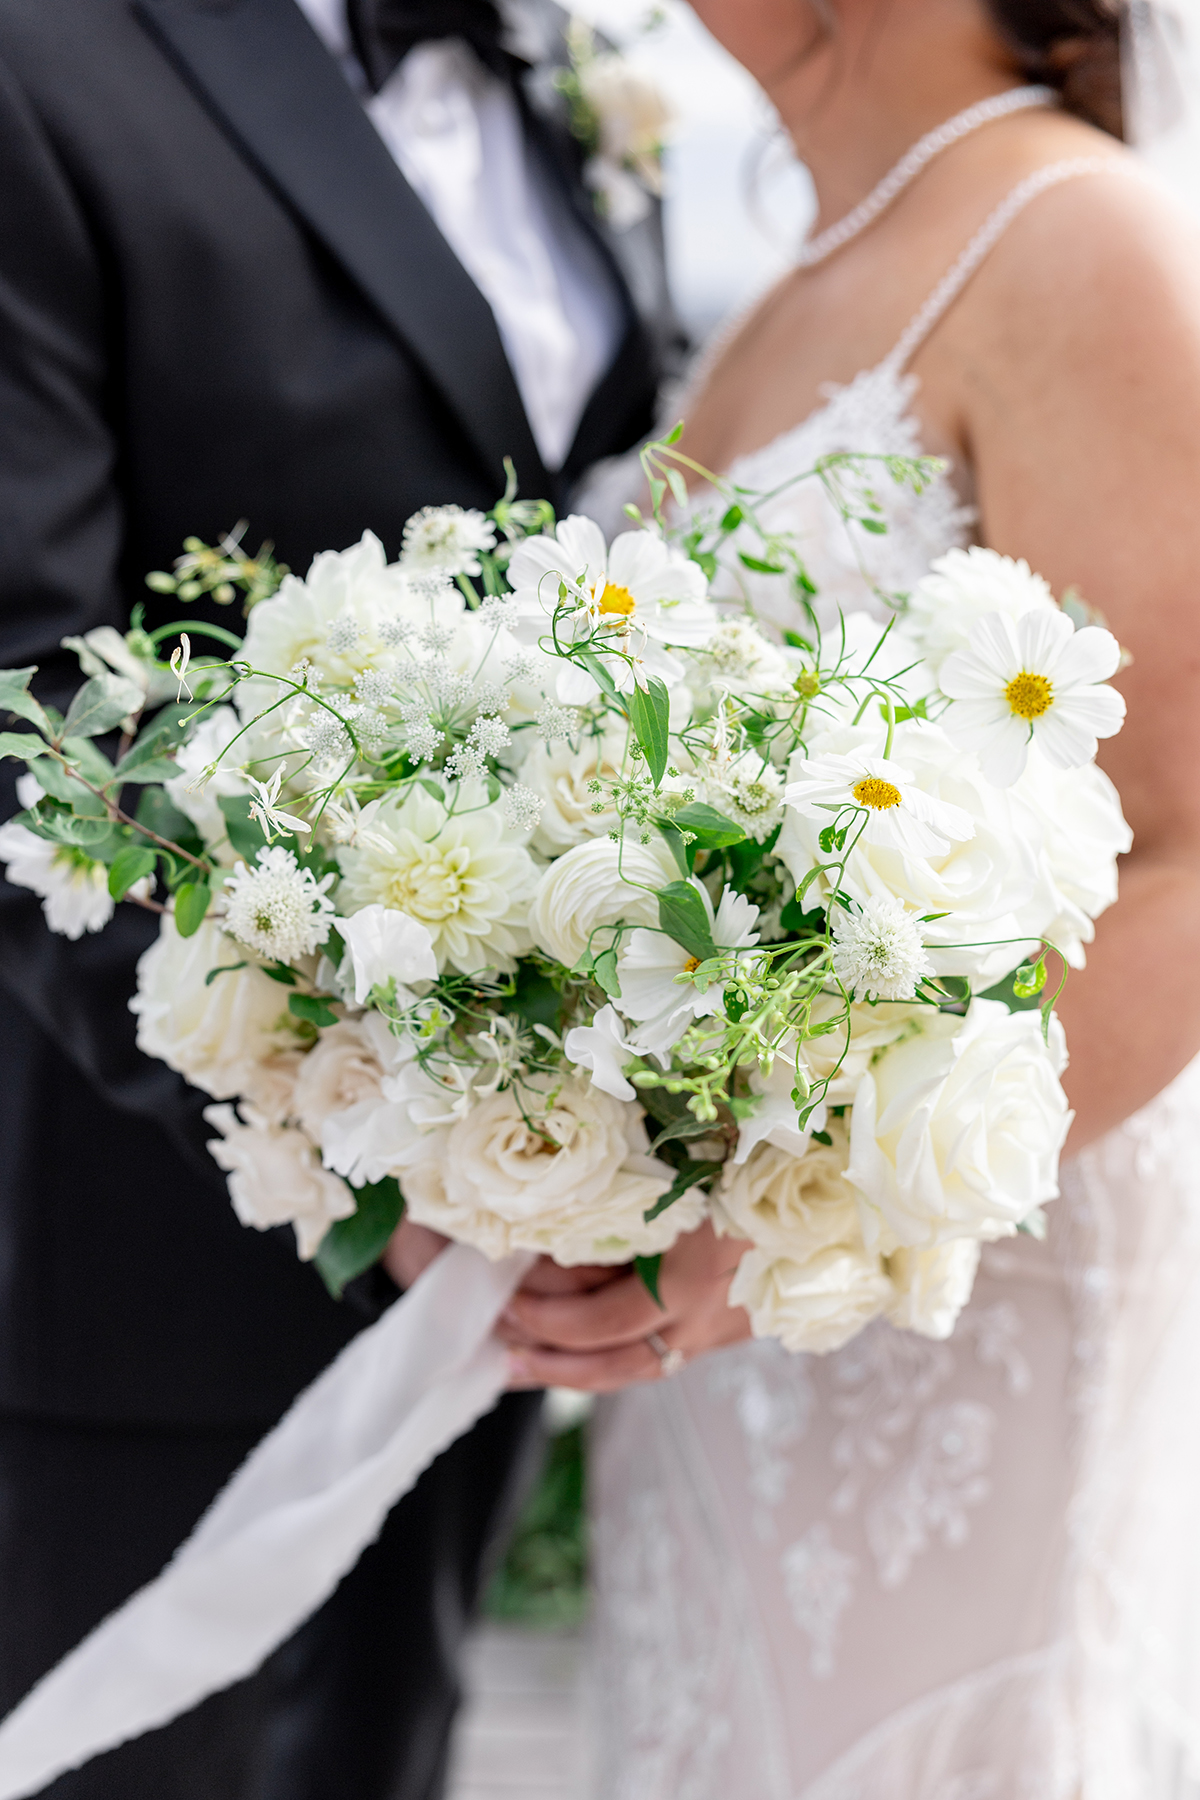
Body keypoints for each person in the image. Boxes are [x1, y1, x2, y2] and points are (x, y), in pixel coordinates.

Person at [498, 0, 1200, 1788]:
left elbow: (1189, 856)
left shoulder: (1072, 235)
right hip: (724, 1332)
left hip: (954, 1302)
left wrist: (809, 1222)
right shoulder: (793, 272)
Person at [0, 1, 676, 1794]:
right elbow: (24, 705)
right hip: (136, 1264)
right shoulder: (39, 67)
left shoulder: (561, 76)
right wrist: (377, 1136)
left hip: (507, 1255)